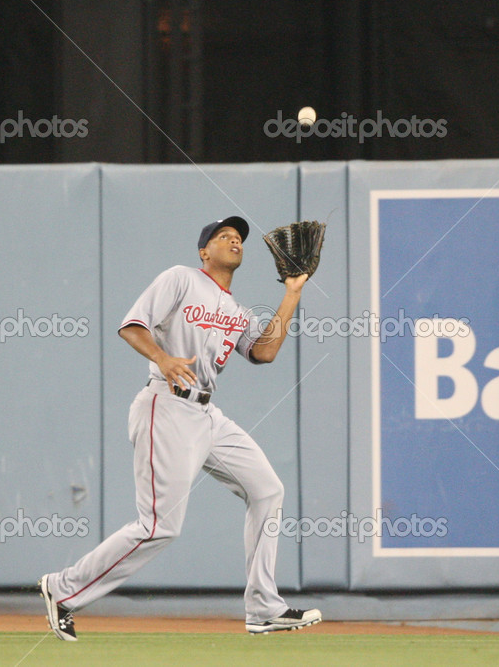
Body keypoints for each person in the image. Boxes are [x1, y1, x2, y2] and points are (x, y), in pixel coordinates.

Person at [39, 215, 321, 639]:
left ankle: (263, 607)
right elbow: (131, 325)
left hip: (207, 415)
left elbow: (263, 353)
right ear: (204, 252)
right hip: (165, 406)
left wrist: (291, 294)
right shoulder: (181, 279)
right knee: (159, 526)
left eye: (238, 237)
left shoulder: (237, 310)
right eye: (223, 236)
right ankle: (63, 589)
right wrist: (163, 358)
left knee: (267, 490)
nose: (234, 240)